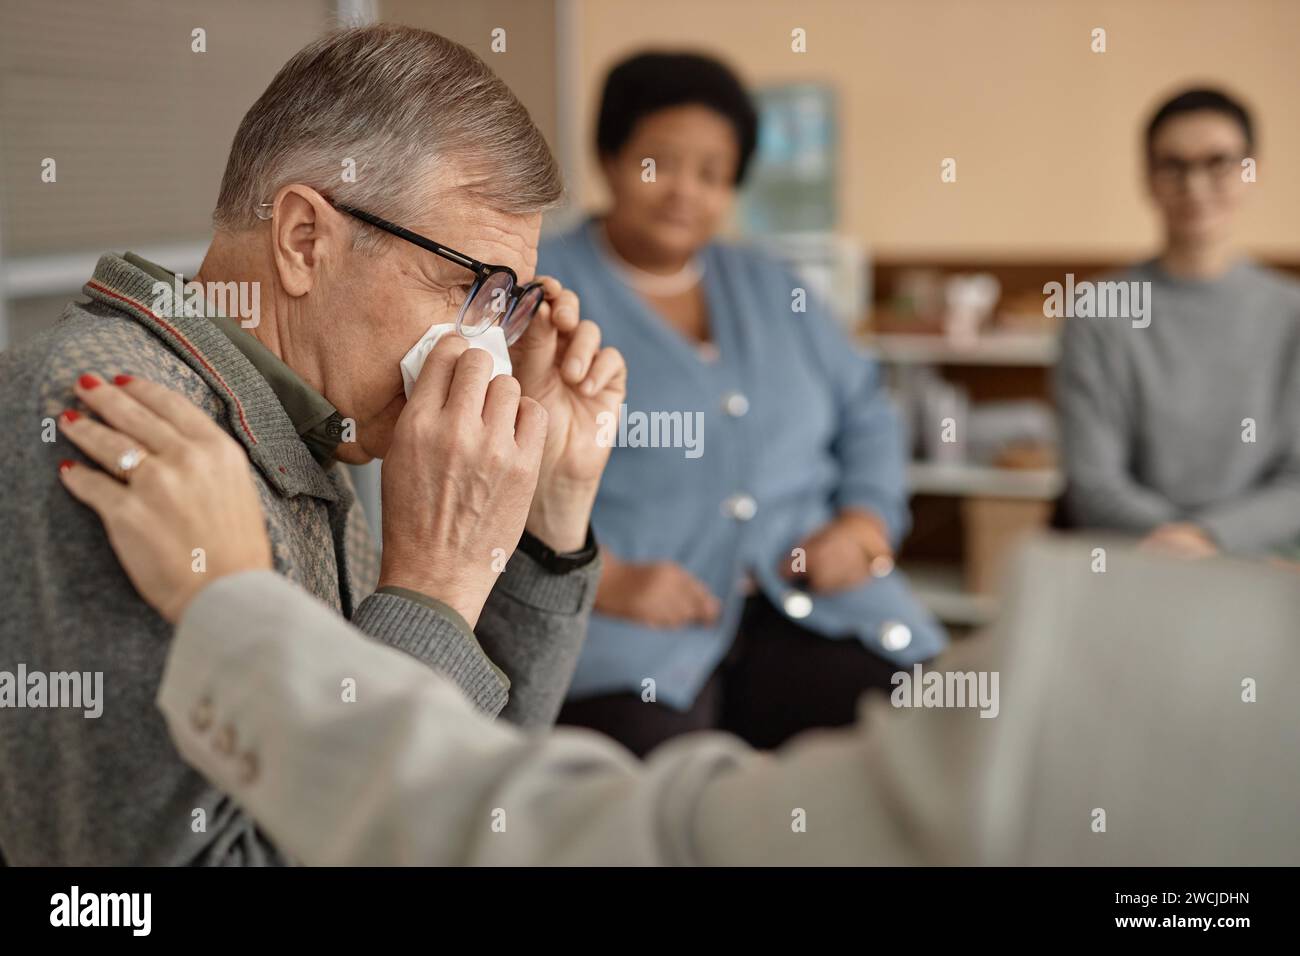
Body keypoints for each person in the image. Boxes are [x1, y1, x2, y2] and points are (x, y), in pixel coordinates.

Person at [60, 376, 1300, 865]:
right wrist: (569, 559)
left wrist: (492, 565)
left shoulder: (1111, 702)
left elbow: (570, 841)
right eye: (469, 279)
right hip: (644, 633)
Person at [0, 25, 625, 865]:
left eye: (506, 304)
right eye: (467, 287)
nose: (483, 353)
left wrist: (546, 519)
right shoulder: (118, 424)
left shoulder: (305, 423)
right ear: (304, 239)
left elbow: (460, 811)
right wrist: (430, 584)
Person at [536, 52, 945, 755]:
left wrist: (865, 524)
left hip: (812, 604)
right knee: (641, 777)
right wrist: (602, 582)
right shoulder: (543, 287)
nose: (684, 193)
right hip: (629, 628)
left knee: (921, 733)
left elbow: (867, 414)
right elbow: (478, 461)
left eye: (713, 173)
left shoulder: (773, 287)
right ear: (607, 158)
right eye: (657, 163)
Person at [1057, 88, 1300, 558]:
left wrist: (1209, 539)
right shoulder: (1097, 312)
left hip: (1266, 569)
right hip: (1137, 560)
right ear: (1148, 178)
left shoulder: (1291, 314)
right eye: (1173, 166)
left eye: (1218, 163)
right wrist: (1183, 544)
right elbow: (1094, 484)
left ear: (1252, 172)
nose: (1196, 186)